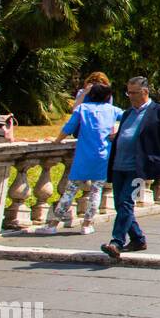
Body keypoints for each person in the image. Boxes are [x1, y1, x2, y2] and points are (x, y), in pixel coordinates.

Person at [102, 76, 160, 261]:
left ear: (145, 92)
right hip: (119, 165)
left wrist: (153, 158)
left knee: (126, 202)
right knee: (120, 204)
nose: (130, 96)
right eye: (128, 93)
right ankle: (138, 239)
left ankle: (116, 242)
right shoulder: (127, 113)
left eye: (134, 93)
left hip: (138, 167)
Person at [37, 83, 123, 236]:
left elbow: (68, 127)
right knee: (96, 191)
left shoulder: (83, 109)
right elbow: (130, 119)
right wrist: (117, 134)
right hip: (102, 156)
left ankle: (53, 225)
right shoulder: (113, 110)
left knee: (70, 192)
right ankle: (87, 224)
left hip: (83, 156)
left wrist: (57, 140)